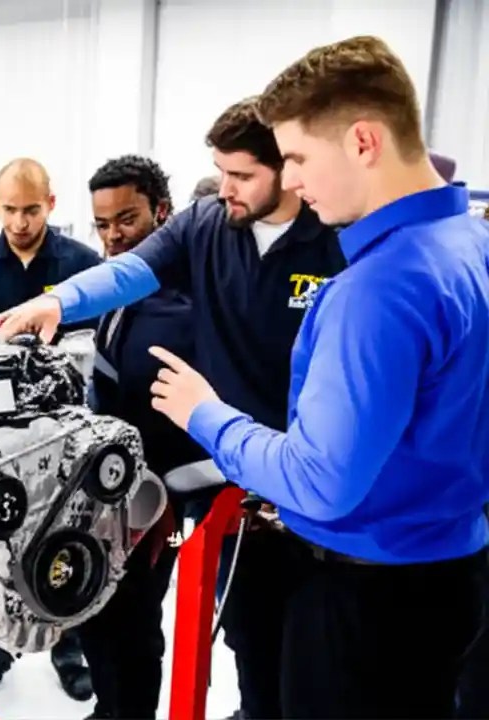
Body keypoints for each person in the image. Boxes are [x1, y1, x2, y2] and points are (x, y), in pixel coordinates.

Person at [147, 35, 489, 718]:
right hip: (453, 572)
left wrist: (204, 414)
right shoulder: (470, 243)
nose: (293, 180)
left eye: (298, 157)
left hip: (365, 606)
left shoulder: (379, 288)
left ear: (363, 141)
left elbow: (320, 482)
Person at [0, 96, 347, 720]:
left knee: (290, 652)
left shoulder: (332, 240)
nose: (225, 188)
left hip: (301, 480)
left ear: (287, 171)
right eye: (221, 172)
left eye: (242, 176)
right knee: (216, 630)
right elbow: (131, 270)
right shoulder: (207, 224)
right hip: (218, 475)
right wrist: (57, 302)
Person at [0, 157, 100, 699]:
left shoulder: (83, 265)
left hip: (66, 428)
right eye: (10, 210)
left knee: (71, 530)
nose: (19, 221)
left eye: (31, 209)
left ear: (52, 205)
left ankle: (68, 644)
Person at [75, 155, 207, 720]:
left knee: (135, 615)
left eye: (125, 219)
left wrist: (176, 505)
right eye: (102, 224)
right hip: (108, 488)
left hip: (167, 502)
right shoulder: (117, 293)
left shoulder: (194, 303)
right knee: (95, 608)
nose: (113, 236)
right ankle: (113, 706)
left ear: (163, 212)